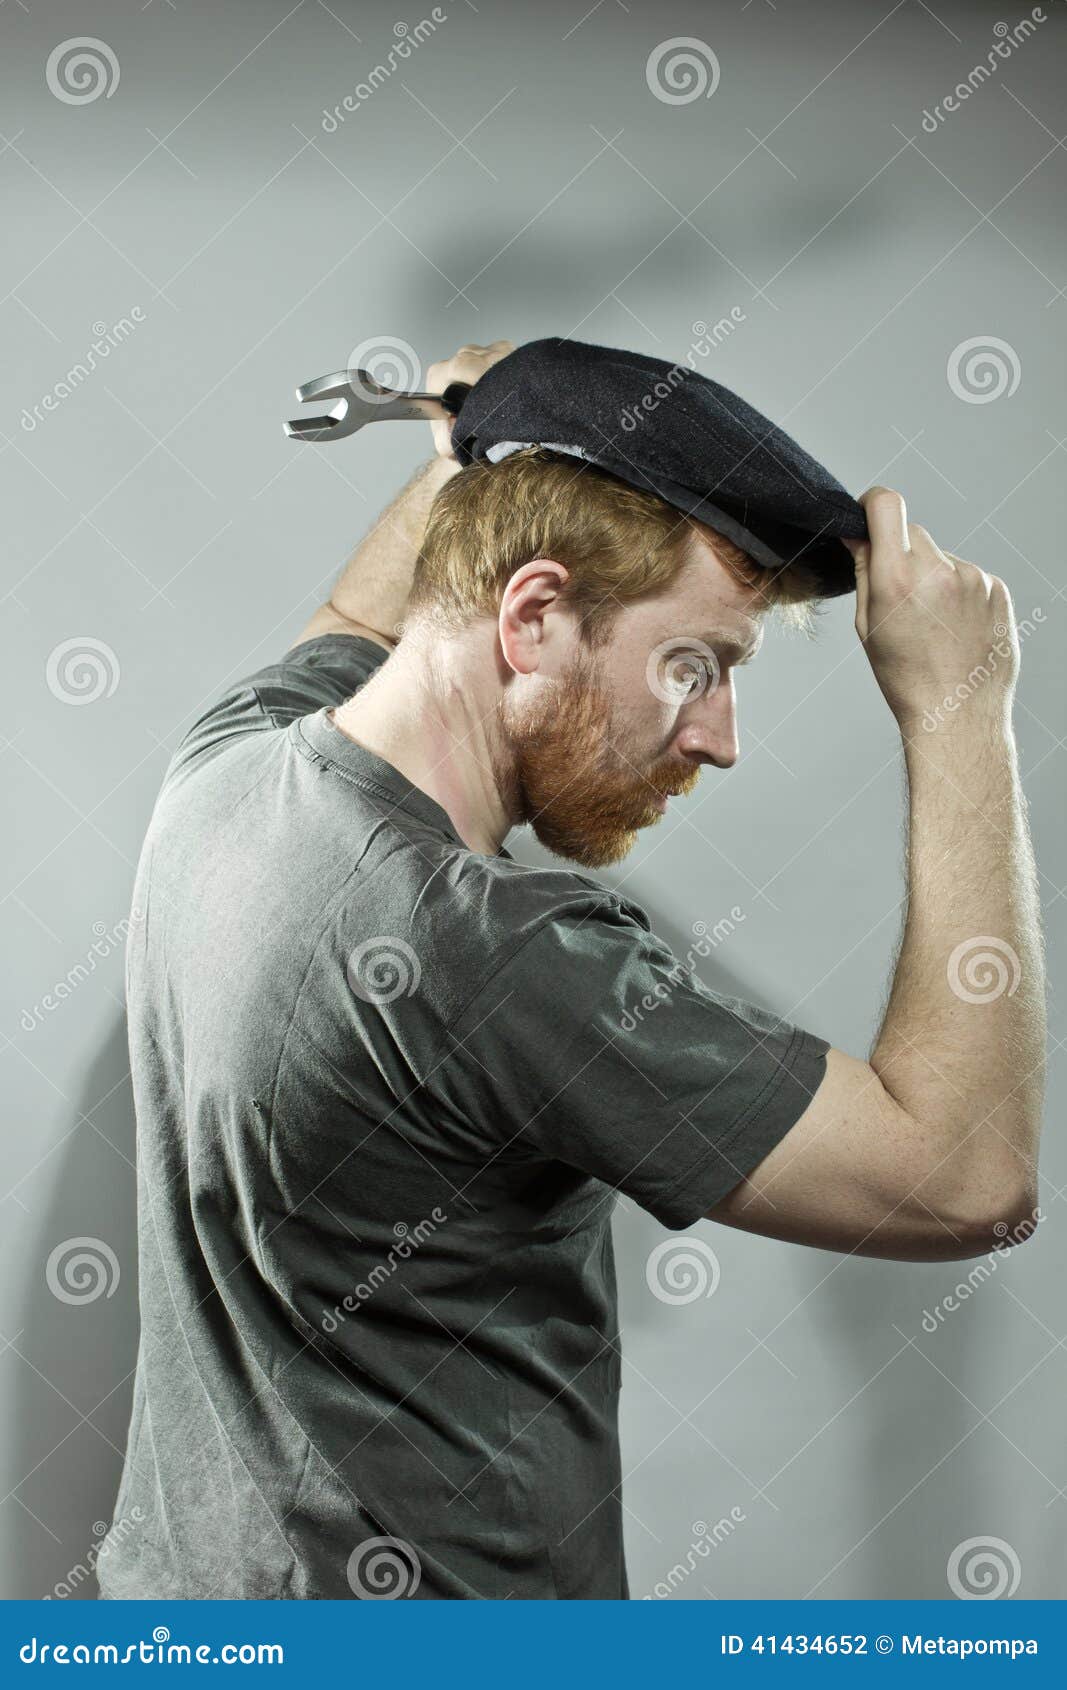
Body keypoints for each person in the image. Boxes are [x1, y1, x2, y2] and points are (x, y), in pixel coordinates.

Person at [99, 340, 1045, 1601]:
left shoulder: (228, 769)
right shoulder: (492, 953)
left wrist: (488, 431)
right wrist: (959, 705)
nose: (717, 739)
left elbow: (361, 623)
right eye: (695, 665)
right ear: (531, 616)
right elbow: (966, 1180)